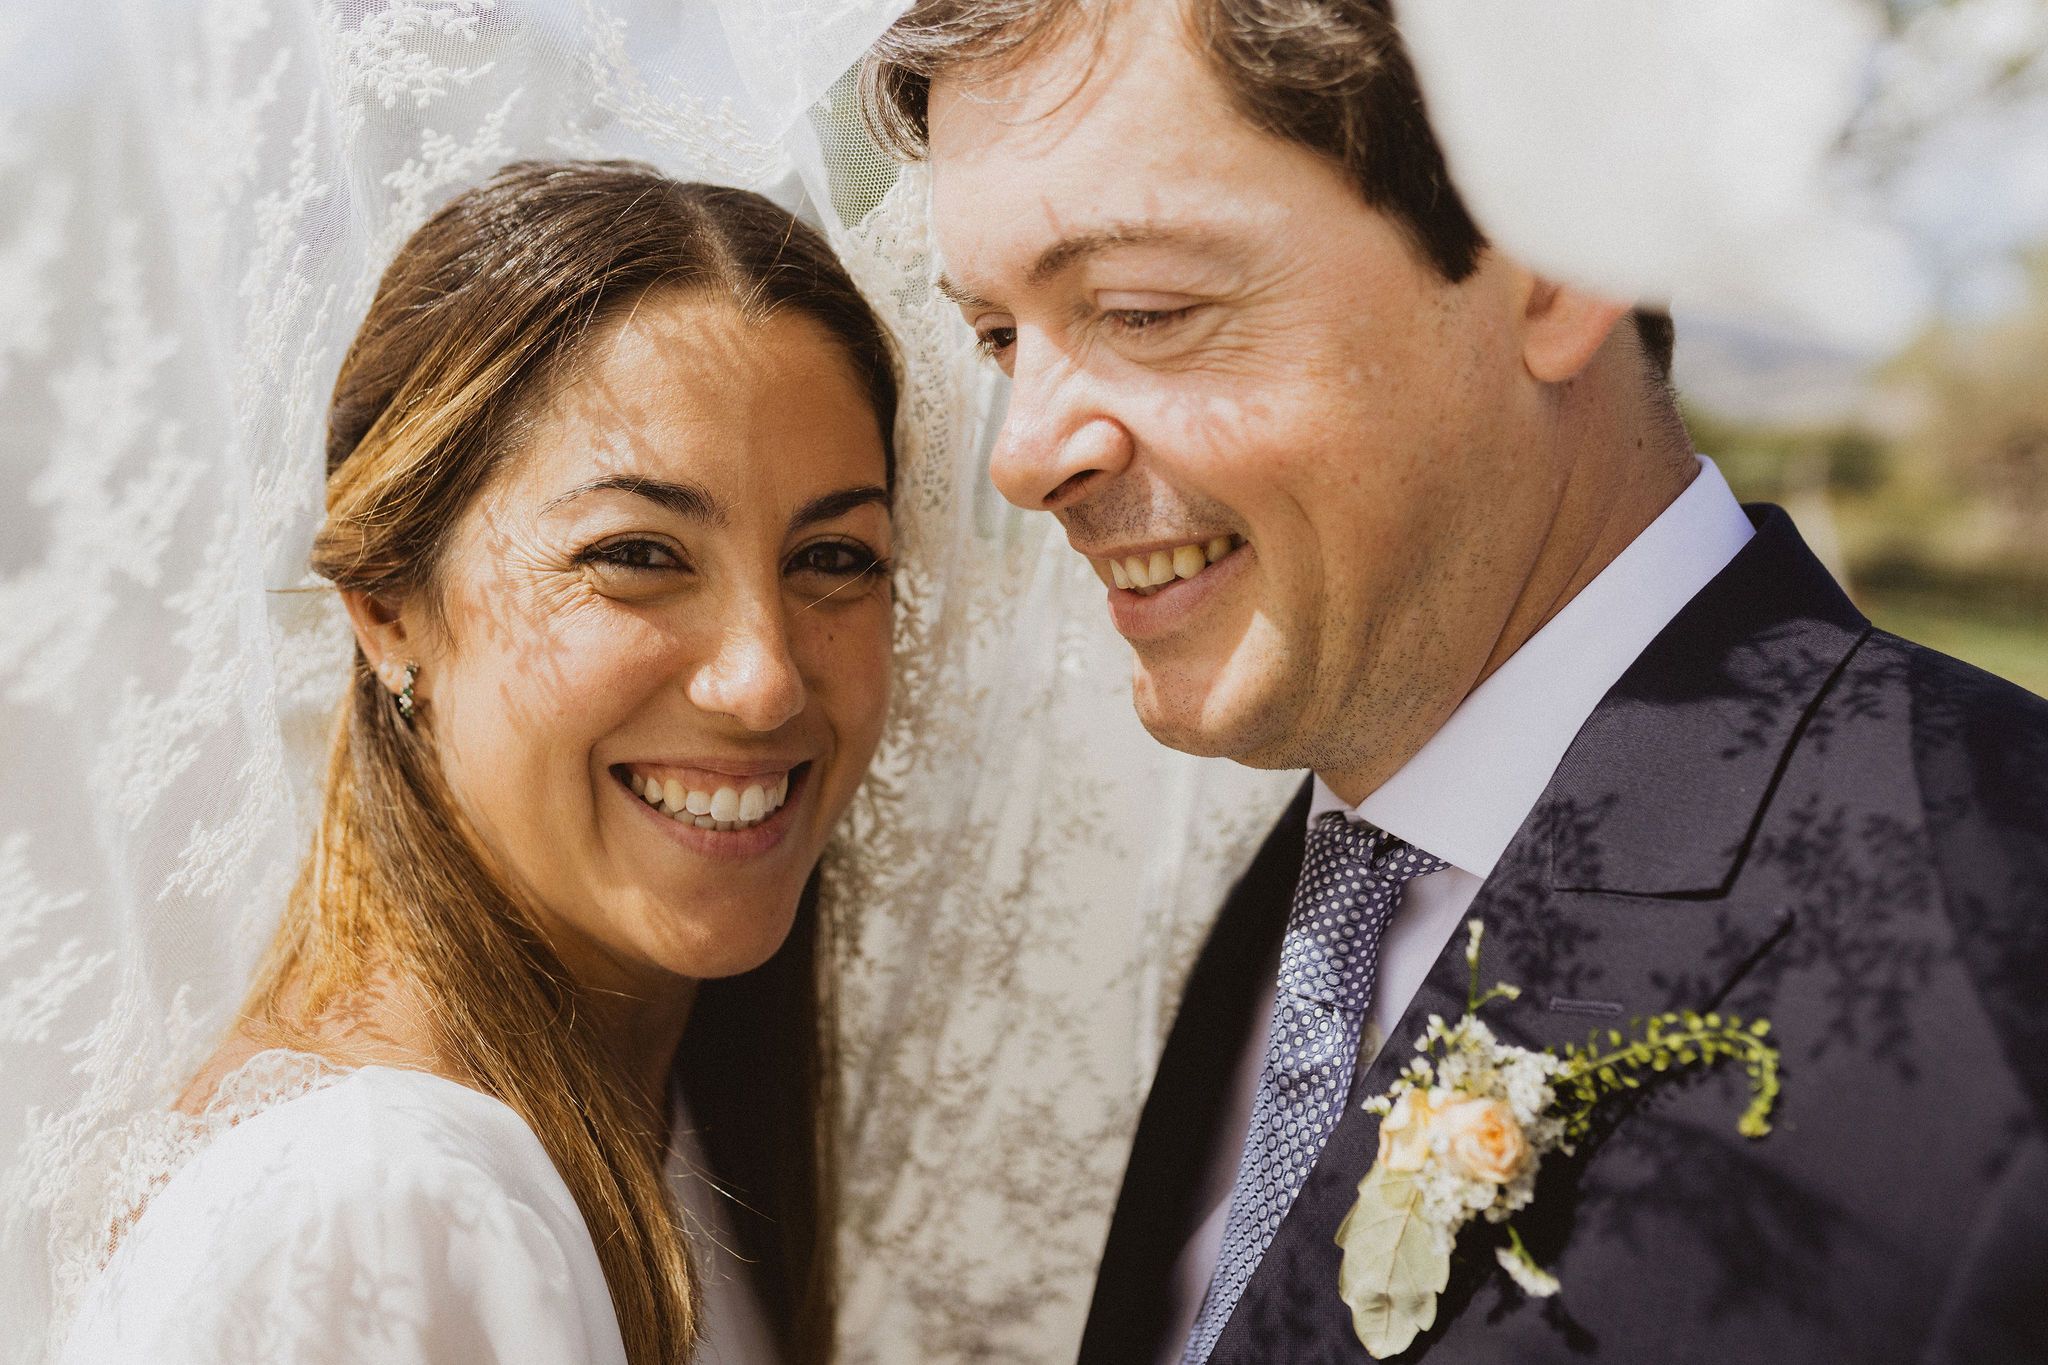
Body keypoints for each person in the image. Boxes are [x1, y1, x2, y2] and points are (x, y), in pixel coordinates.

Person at [867, 3, 2048, 1363]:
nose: (1024, 458)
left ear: (1548, 260)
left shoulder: (1994, 989)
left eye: (1146, 309)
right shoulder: (1295, 869)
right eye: (1002, 336)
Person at [53, 160, 899, 1365]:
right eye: (637, 554)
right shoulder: (377, 1212)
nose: (761, 679)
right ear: (389, 607)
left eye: (834, 559)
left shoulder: (652, 1128)